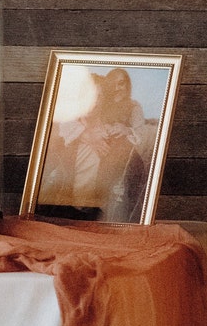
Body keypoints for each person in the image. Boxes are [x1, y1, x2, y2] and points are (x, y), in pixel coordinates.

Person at [40, 68, 153, 222]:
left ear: (104, 101)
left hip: (96, 221)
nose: (89, 102)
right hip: (57, 216)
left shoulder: (116, 138)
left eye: (96, 97)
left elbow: (124, 196)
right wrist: (85, 134)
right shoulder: (65, 135)